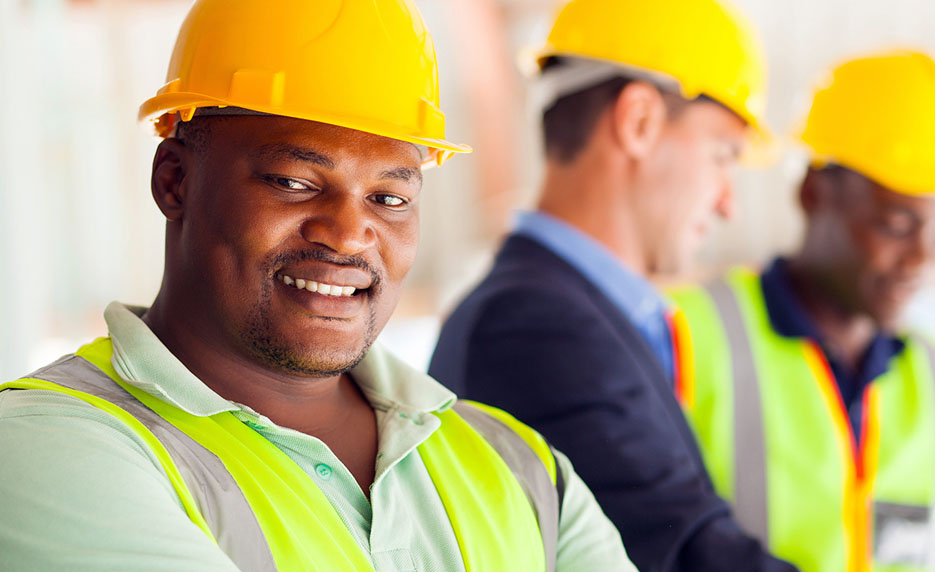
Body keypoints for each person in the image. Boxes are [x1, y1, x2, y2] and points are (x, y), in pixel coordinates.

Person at [0, 1, 633, 570]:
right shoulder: (46, 448)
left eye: (389, 197)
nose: (350, 232)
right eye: (293, 182)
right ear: (175, 181)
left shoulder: (518, 465)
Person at [429, 0, 797, 570]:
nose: (728, 203)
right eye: (723, 157)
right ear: (639, 122)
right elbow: (686, 555)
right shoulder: (534, 327)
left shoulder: (575, 313)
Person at [667, 50, 935, 572]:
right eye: (897, 225)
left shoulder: (924, 372)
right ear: (814, 194)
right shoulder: (688, 334)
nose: (923, 257)